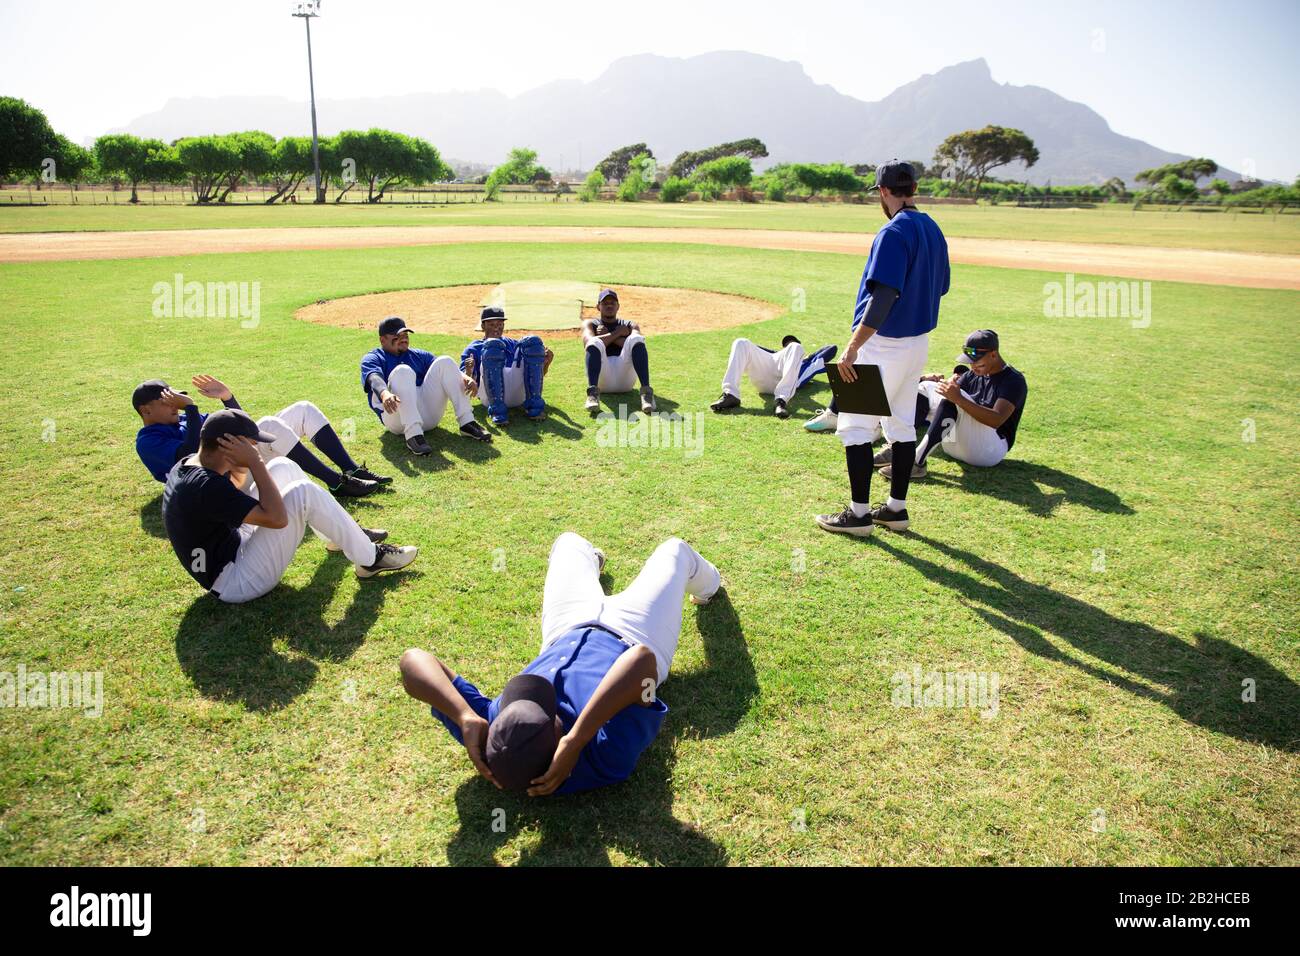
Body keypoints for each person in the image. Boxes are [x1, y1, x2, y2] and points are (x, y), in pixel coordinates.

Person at [399, 532, 722, 796]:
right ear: (558, 748)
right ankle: (709, 585)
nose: (531, 698)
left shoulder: (496, 741)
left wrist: (465, 716)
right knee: (674, 550)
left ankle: (592, 563)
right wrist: (577, 738)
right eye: (544, 709)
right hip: (638, 632)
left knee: (568, 542)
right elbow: (641, 662)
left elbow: (413, 660)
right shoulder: (604, 757)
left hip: (565, 630)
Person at [815, 160, 950, 537]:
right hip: (916, 344)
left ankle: (858, 516)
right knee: (901, 425)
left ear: (884, 191)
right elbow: (939, 287)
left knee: (856, 427)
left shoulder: (893, 232)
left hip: (882, 344)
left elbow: (885, 294)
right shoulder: (932, 228)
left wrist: (854, 346)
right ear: (914, 188)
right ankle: (895, 510)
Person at [161, 409, 418, 604]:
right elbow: (276, 518)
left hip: (229, 550)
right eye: (250, 443)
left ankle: (337, 537)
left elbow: (232, 495)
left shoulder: (191, 462)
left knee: (283, 466)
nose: (255, 447)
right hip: (234, 582)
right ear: (229, 445)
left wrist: (254, 462)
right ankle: (371, 559)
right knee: (301, 493)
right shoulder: (204, 486)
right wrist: (255, 462)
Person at [134, 375, 386, 496]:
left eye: (174, 399)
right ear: (146, 410)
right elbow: (189, 455)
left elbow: (241, 427)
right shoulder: (148, 441)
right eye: (166, 401)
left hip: (241, 462)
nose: (175, 405)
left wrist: (227, 398)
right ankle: (336, 482)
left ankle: (351, 471)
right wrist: (190, 408)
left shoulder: (183, 420)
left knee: (303, 409)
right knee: (269, 424)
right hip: (222, 482)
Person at [879, 330, 1027, 479]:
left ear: (993, 355)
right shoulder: (972, 374)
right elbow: (948, 394)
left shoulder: (1013, 380)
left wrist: (958, 398)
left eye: (976, 360)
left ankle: (915, 463)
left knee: (954, 397)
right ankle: (897, 446)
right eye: (969, 361)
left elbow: (997, 420)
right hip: (953, 445)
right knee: (928, 387)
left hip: (988, 451)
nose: (972, 366)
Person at [360, 316, 493, 457]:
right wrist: (384, 393)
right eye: (397, 336)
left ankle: (467, 422)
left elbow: (447, 369)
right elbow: (373, 378)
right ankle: (413, 436)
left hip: (428, 417)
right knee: (402, 371)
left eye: (405, 335)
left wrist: (464, 377)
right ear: (382, 340)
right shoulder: (374, 357)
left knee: (445, 361)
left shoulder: (417, 355)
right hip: (397, 420)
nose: (404, 338)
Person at [459, 306, 554, 426]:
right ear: (483, 326)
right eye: (491, 324)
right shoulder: (473, 348)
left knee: (533, 342)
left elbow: (530, 377)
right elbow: (463, 385)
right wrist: (469, 371)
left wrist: (545, 363)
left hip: (518, 397)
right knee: (492, 347)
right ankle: (497, 412)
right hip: (489, 397)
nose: (496, 328)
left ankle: (534, 407)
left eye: (499, 324)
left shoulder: (513, 344)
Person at [710, 336, 838, 418]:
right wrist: (777, 352)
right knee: (741, 342)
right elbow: (752, 349)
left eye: (791, 342)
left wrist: (807, 357)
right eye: (787, 343)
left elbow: (831, 349)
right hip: (764, 375)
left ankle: (780, 402)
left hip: (786, 385)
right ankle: (731, 394)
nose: (789, 344)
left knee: (796, 347)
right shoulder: (774, 355)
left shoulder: (806, 363)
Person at [582, 288, 655, 415]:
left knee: (636, 338)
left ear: (618, 306)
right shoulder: (590, 323)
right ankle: (592, 396)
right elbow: (587, 343)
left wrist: (608, 336)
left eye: (612, 303)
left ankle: (646, 395)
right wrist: (618, 334)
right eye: (605, 303)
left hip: (625, 380)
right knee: (594, 342)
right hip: (602, 381)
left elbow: (637, 343)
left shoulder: (630, 324)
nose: (609, 305)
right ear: (598, 306)